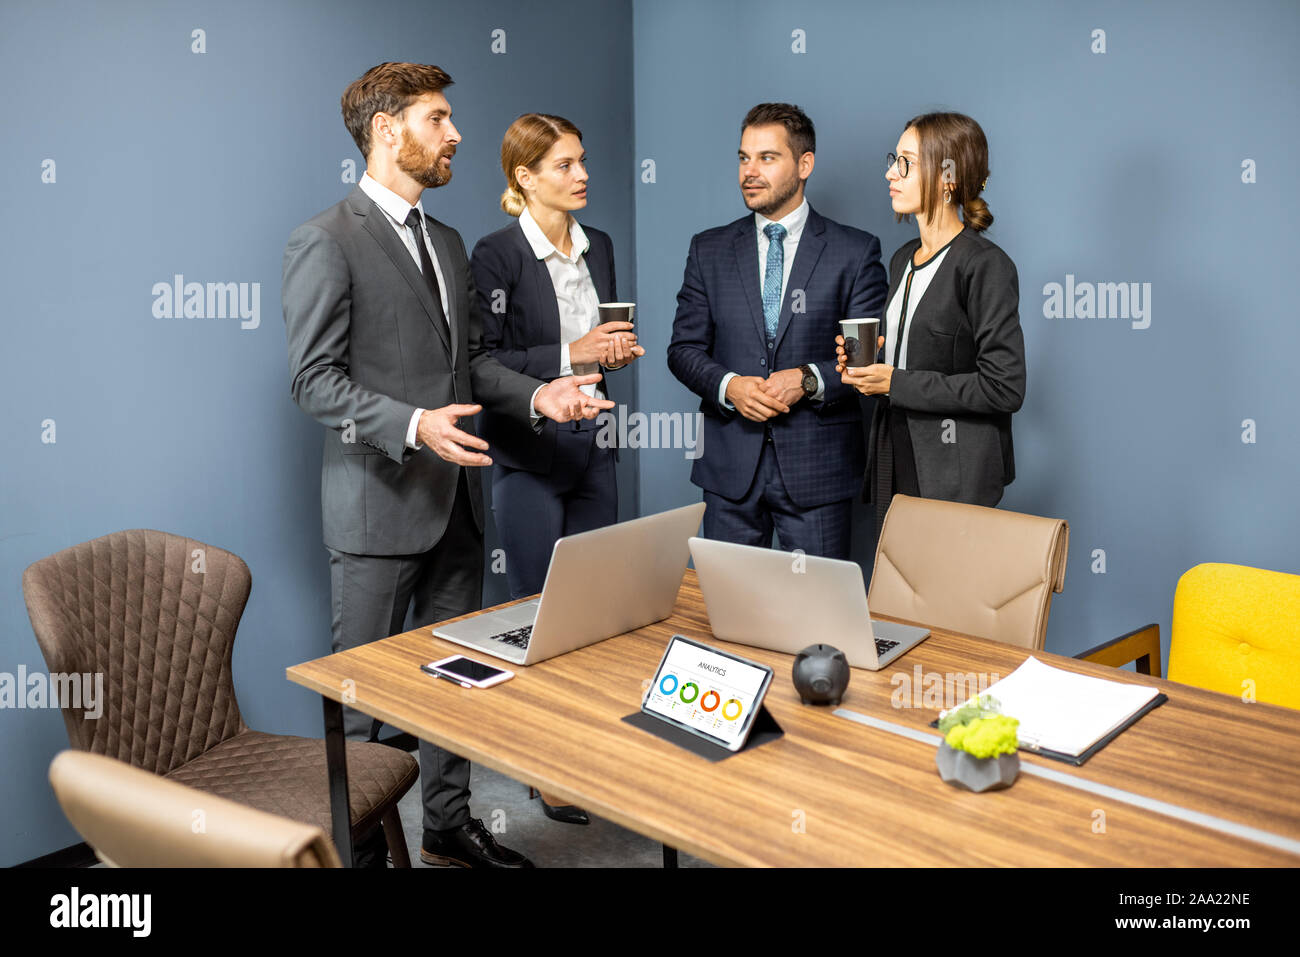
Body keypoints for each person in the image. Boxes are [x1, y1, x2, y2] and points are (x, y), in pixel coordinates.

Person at [281, 62, 612, 868]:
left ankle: (448, 828)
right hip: (375, 509)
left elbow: (472, 368)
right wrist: (414, 423)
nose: (456, 134)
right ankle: (358, 851)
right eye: (439, 119)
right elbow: (312, 380)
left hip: (459, 506)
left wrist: (544, 396)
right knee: (361, 701)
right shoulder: (325, 240)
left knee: (454, 684)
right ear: (388, 130)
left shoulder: (451, 243)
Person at [469, 113, 644, 827]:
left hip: (593, 449)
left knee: (592, 621)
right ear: (525, 177)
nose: (582, 175)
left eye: (582, 161)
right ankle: (543, 771)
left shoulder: (598, 244)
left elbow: (600, 339)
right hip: (528, 457)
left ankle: (583, 760)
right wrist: (574, 352)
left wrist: (610, 352)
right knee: (538, 624)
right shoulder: (494, 255)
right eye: (566, 165)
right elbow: (482, 366)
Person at [667, 103, 887, 559]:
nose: (750, 171)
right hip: (729, 472)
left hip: (817, 472)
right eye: (744, 158)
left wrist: (805, 379)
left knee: (818, 621)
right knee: (729, 617)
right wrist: (730, 387)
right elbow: (684, 349)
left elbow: (865, 361)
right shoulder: (708, 249)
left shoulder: (856, 251)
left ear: (804, 164)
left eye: (767, 158)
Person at [836, 112, 1026, 550]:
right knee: (899, 605)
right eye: (893, 159)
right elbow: (911, 358)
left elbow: (1005, 388)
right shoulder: (902, 258)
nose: (890, 173)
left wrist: (895, 381)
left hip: (952, 472)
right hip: (894, 455)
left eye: (905, 163)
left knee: (946, 609)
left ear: (947, 178)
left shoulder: (985, 266)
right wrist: (867, 367)